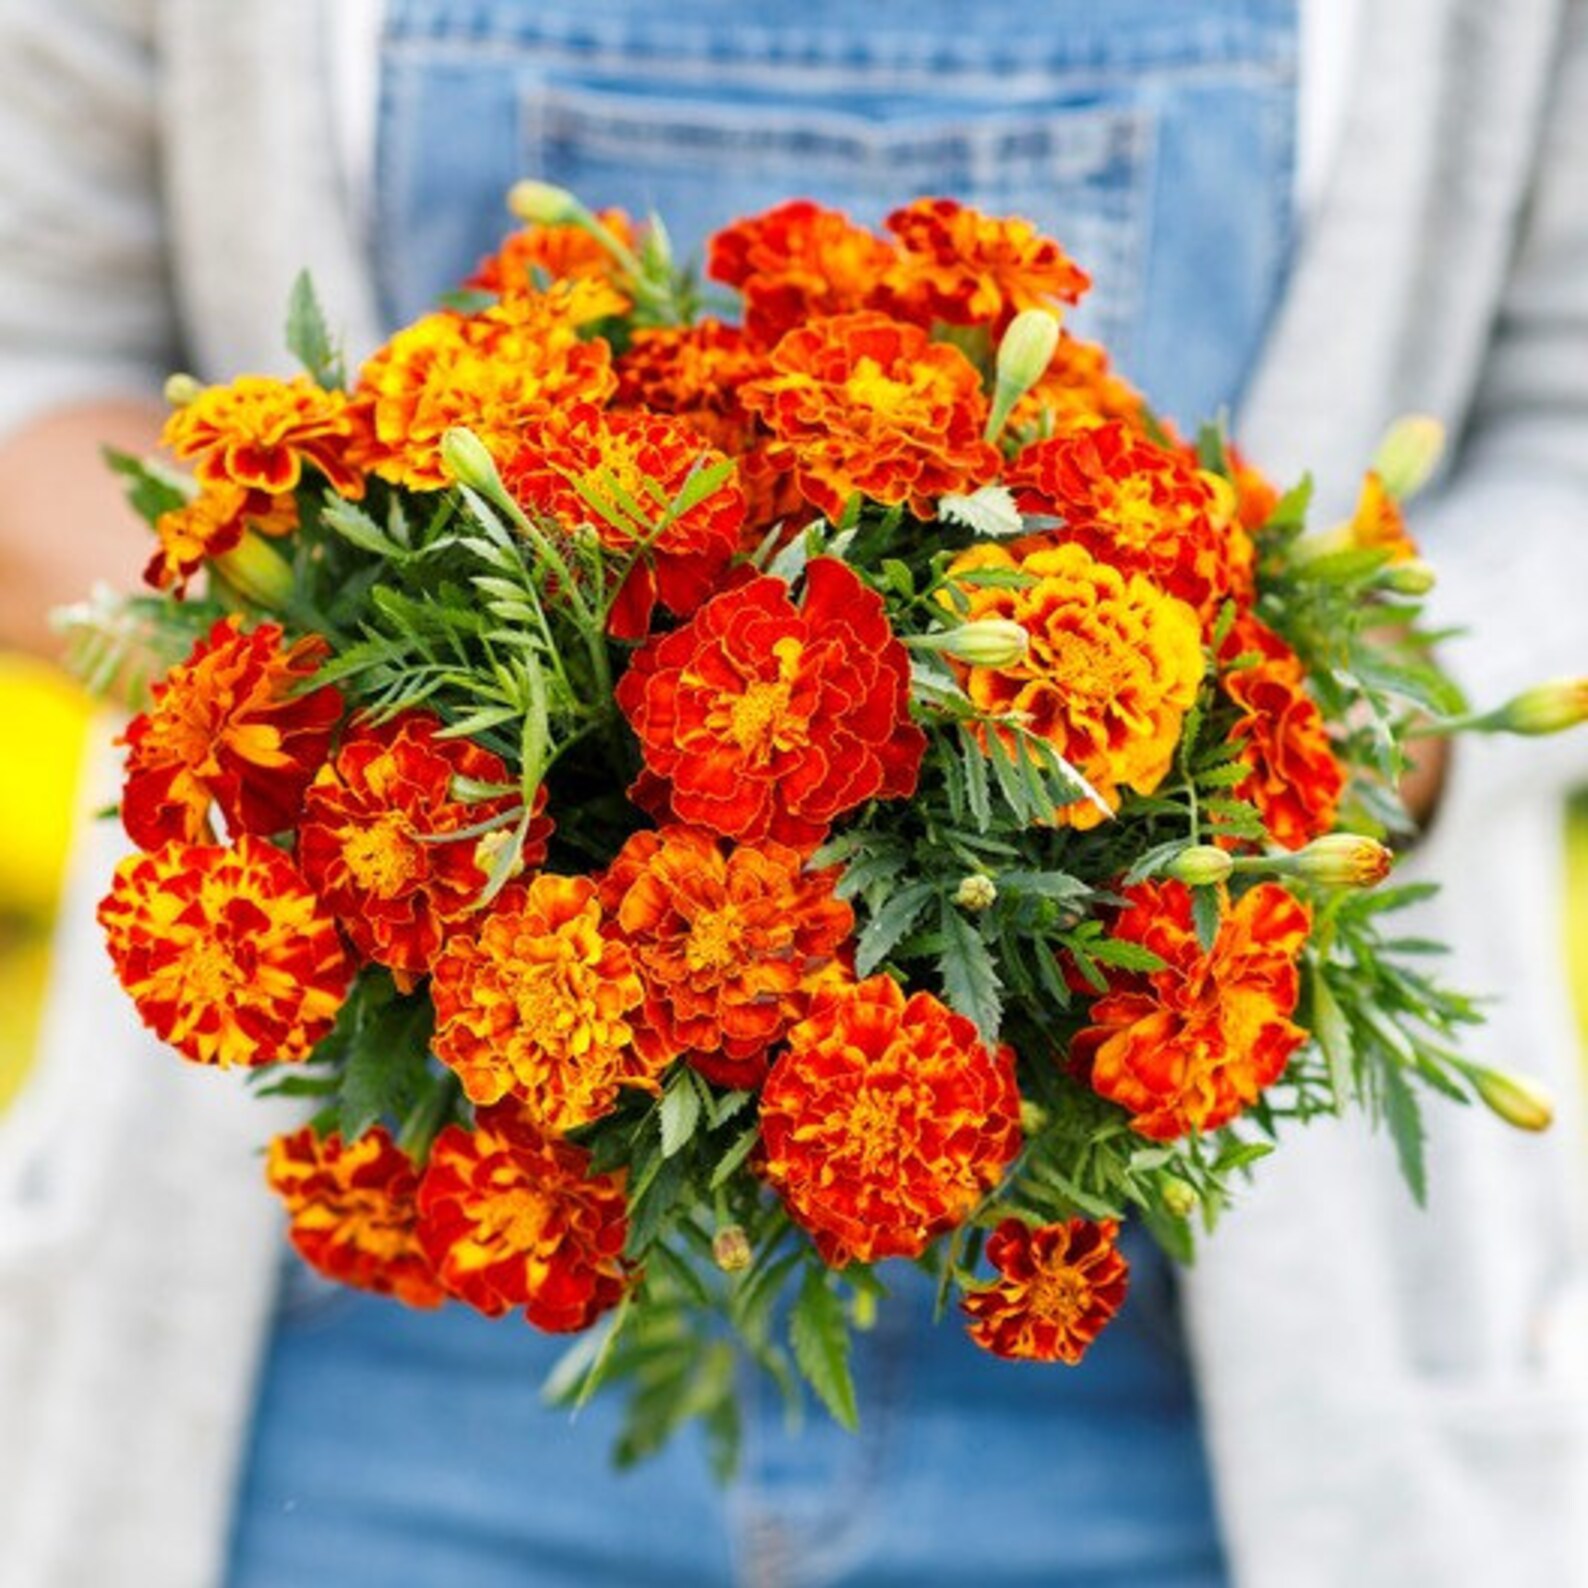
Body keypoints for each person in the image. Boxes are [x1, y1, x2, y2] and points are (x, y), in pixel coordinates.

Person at [0, 3, 1585, 1585]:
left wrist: (1303, 733)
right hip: (372, 1352)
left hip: (1217, 1383)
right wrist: (340, 729)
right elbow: (31, 361)